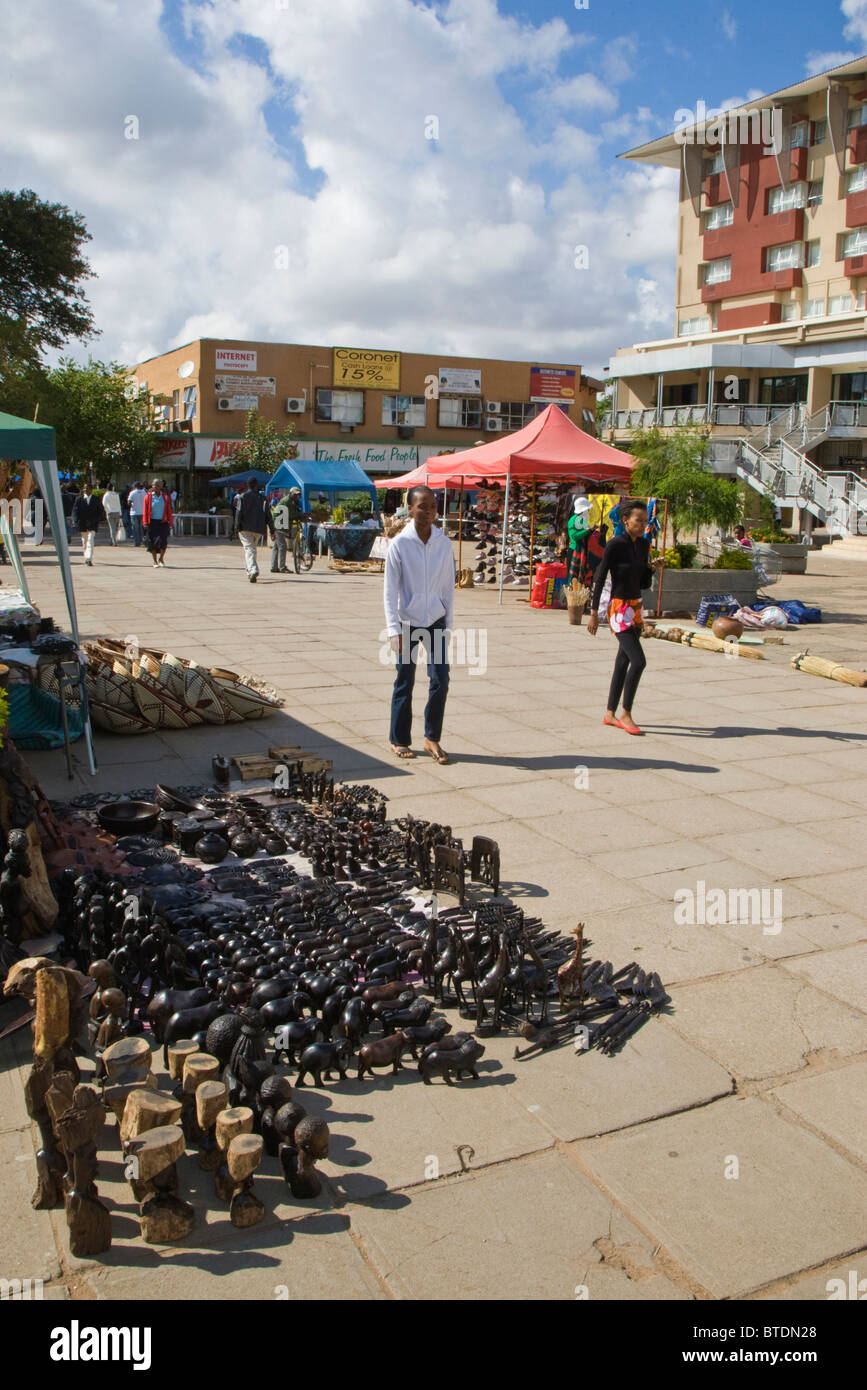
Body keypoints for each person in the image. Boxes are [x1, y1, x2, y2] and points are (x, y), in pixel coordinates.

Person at [383, 484, 455, 764]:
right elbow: (390, 591)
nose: (427, 512)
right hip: (407, 622)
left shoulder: (443, 543)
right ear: (410, 509)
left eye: (432, 507)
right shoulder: (400, 544)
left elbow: (448, 586)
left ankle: (432, 738)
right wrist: (393, 629)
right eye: (422, 507)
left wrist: (448, 624)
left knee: (441, 680)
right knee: (405, 679)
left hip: (436, 619)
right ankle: (399, 739)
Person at [586, 499, 663, 736]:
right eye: (637, 521)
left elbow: (641, 582)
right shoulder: (615, 545)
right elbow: (600, 578)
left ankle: (610, 713)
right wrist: (593, 612)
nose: (641, 525)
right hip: (618, 609)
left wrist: (653, 568)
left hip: (635, 607)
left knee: (623, 661)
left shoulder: (643, 545)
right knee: (638, 661)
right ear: (625, 520)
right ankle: (626, 714)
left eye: (644, 521)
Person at [237, 479, 268, 582]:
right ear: (256, 485)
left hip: (245, 528)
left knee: (249, 549)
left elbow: (239, 513)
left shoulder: (242, 497)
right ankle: (249, 571)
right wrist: (272, 529)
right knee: (252, 549)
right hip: (258, 529)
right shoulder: (263, 498)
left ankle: (253, 569)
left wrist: (236, 528)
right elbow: (268, 514)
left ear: (247, 485)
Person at [143, 477, 173, 568]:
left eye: (157, 485)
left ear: (161, 486)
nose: (155, 487)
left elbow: (169, 511)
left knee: (163, 541)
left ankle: (161, 558)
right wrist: (145, 522)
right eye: (154, 485)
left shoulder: (165, 497)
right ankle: (155, 561)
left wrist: (171, 523)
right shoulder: (148, 497)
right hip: (152, 522)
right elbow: (145, 510)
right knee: (152, 543)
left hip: (163, 522)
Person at [71, 481, 102, 566]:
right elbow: (75, 511)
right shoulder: (79, 499)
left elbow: (100, 512)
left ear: (91, 490)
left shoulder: (96, 499)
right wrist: (75, 520)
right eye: (84, 488)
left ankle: (89, 558)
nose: (85, 489)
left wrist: (94, 520)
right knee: (84, 541)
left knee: (90, 541)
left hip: (93, 524)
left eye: (87, 488)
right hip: (82, 524)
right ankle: (86, 556)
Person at [102, 481, 122, 546]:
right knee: (115, 528)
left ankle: (114, 542)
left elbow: (104, 504)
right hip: (117, 512)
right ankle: (113, 540)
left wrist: (107, 511)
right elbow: (119, 504)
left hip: (110, 512)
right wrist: (120, 513)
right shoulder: (116, 494)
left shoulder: (106, 495)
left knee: (112, 528)